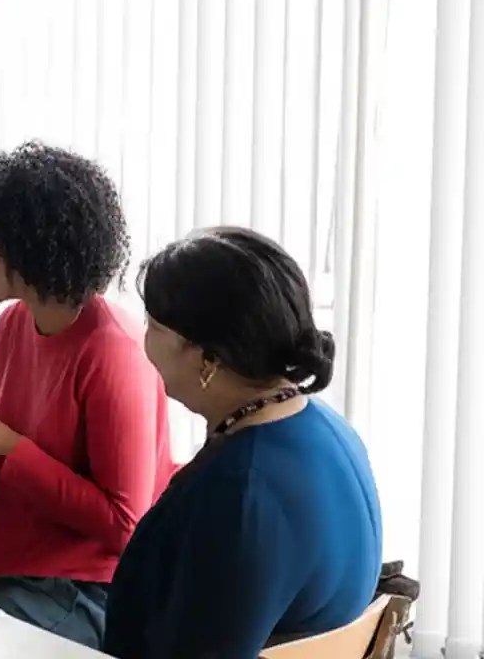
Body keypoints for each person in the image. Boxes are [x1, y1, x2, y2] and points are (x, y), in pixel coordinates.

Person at [0, 141, 173, 648]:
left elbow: (126, 525)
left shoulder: (112, 351)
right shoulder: (15, 323)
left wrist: (7, 444)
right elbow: (12, 473)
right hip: (4, 562)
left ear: (31, 244)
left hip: (84, 589)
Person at [102, 226, 382, 658]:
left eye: (154, 325)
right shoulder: (328, 429)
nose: (144, 341)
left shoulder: (239, 491)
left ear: (207, 359)